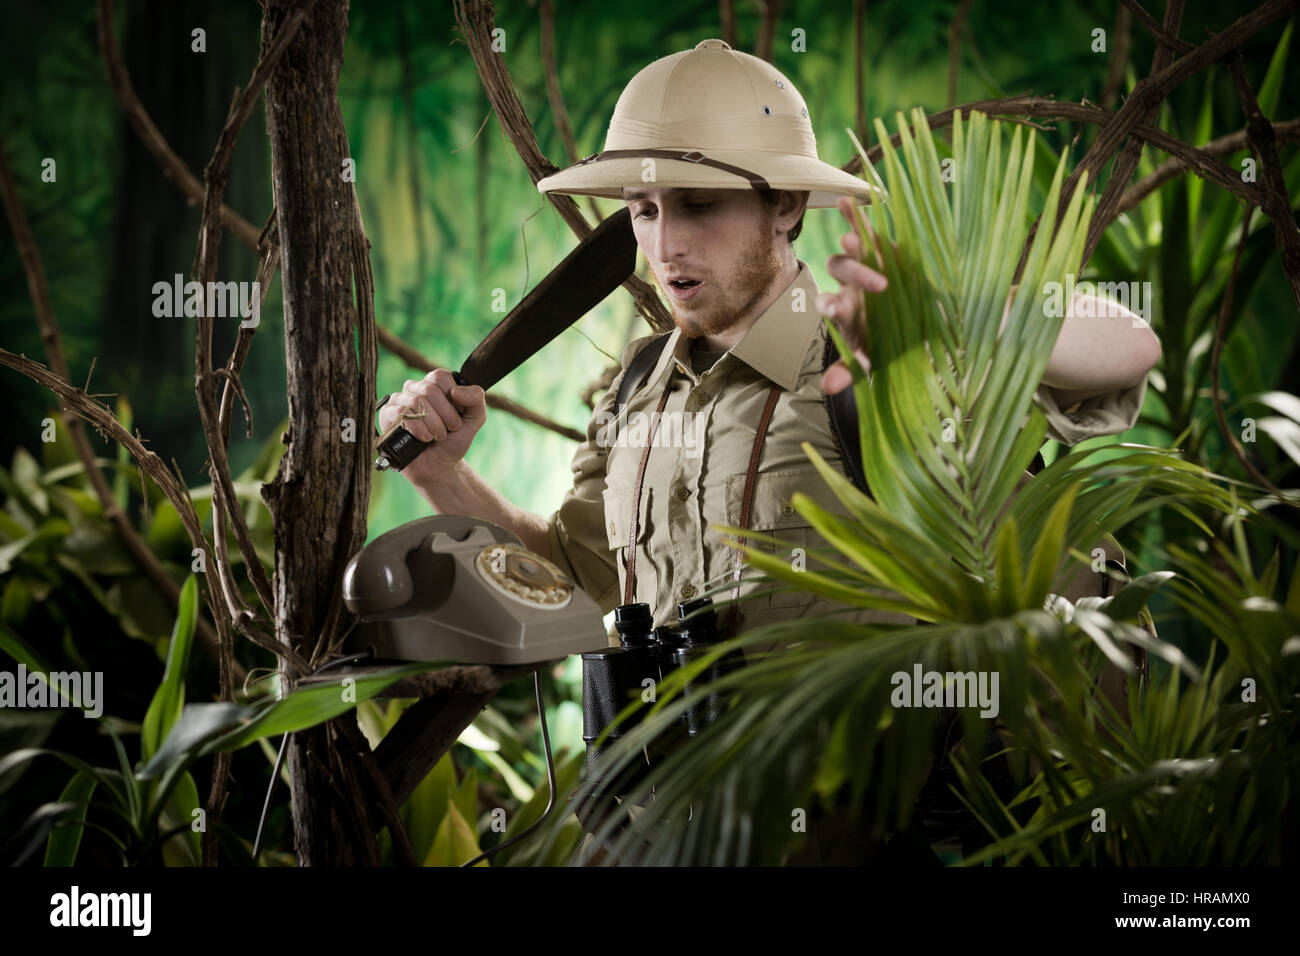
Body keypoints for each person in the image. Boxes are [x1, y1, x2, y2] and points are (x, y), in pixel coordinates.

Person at [378, 38, 1160, 646]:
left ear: (784, 206)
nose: (667, 244)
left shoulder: (878, 350)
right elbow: (582, 586)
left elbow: (1129, 345)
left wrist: (950, 319)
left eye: (698, 205)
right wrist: (446, 478)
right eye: (644, 210)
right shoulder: (636, 389)